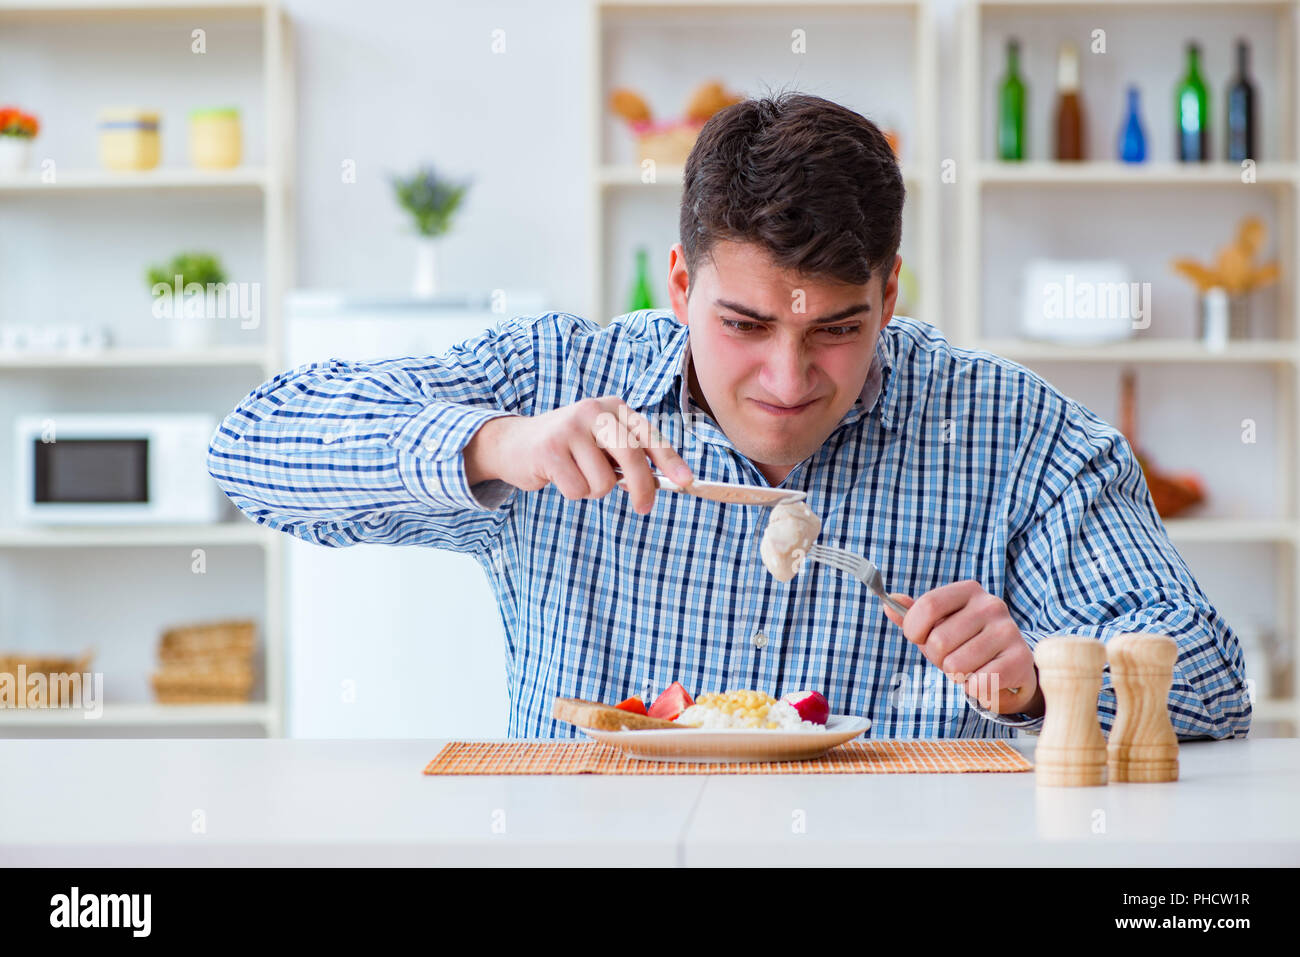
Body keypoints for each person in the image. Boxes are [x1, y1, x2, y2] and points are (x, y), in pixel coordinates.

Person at [208, 92, 1251, 740]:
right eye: (743, 324)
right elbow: (249, 447)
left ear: (891, 294)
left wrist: (1038, 681)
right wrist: (498, 444)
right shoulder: (559, 381)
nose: (786, 379)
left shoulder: (1015, 433)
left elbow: (1208, 687)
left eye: (837, 329)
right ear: (678, 283)